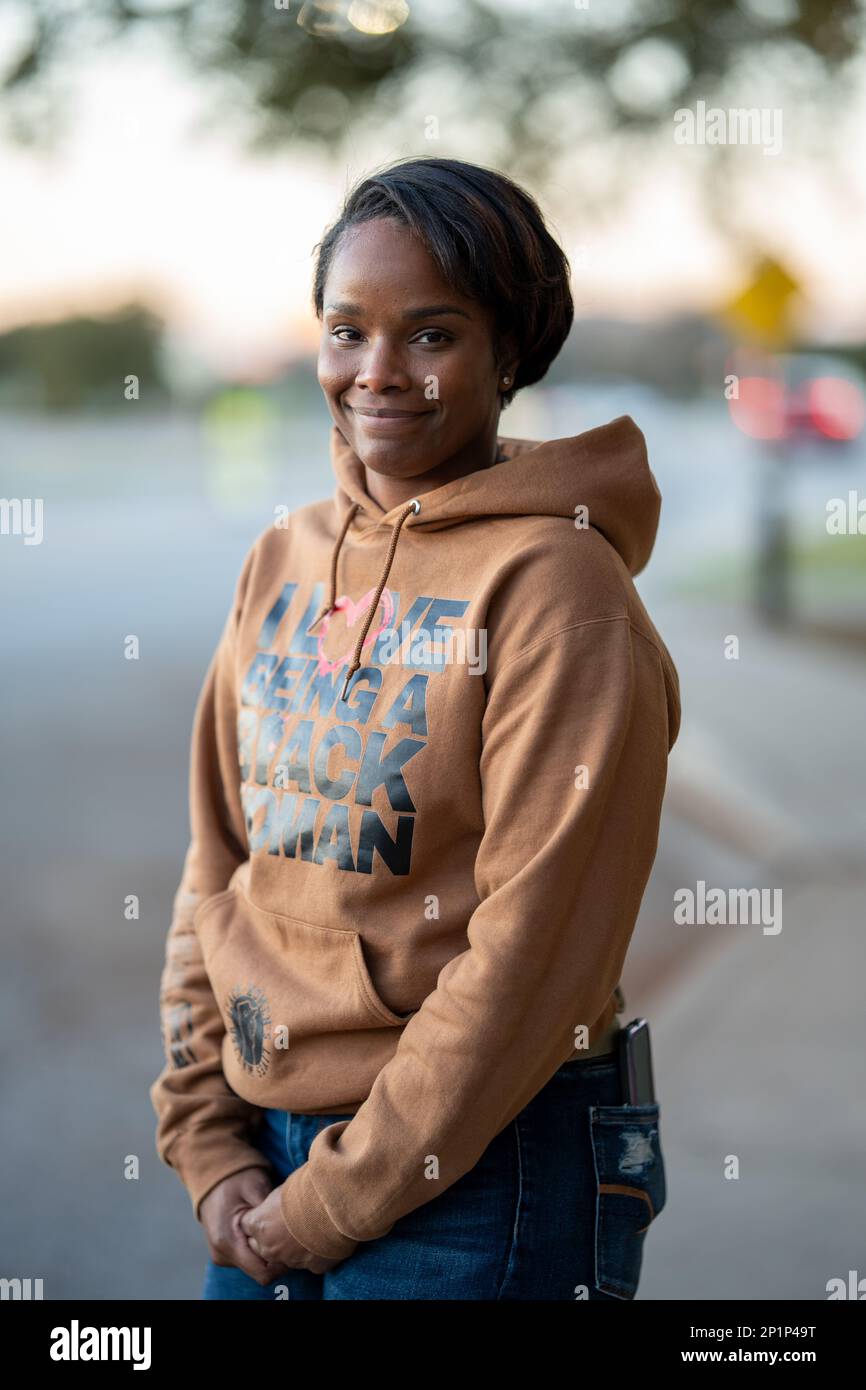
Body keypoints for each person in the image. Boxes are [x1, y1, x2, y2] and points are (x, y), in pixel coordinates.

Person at [149, 155, 681, 1301]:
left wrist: (333, 1203)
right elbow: (218, 867)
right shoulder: (282, 557)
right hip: (261, 1153)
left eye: (430, 335)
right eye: (348, 331)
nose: (376, 372)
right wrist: (203, 1132)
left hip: (482, 1178)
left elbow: (530, 957)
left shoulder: (557, 589)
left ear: (509, 353)